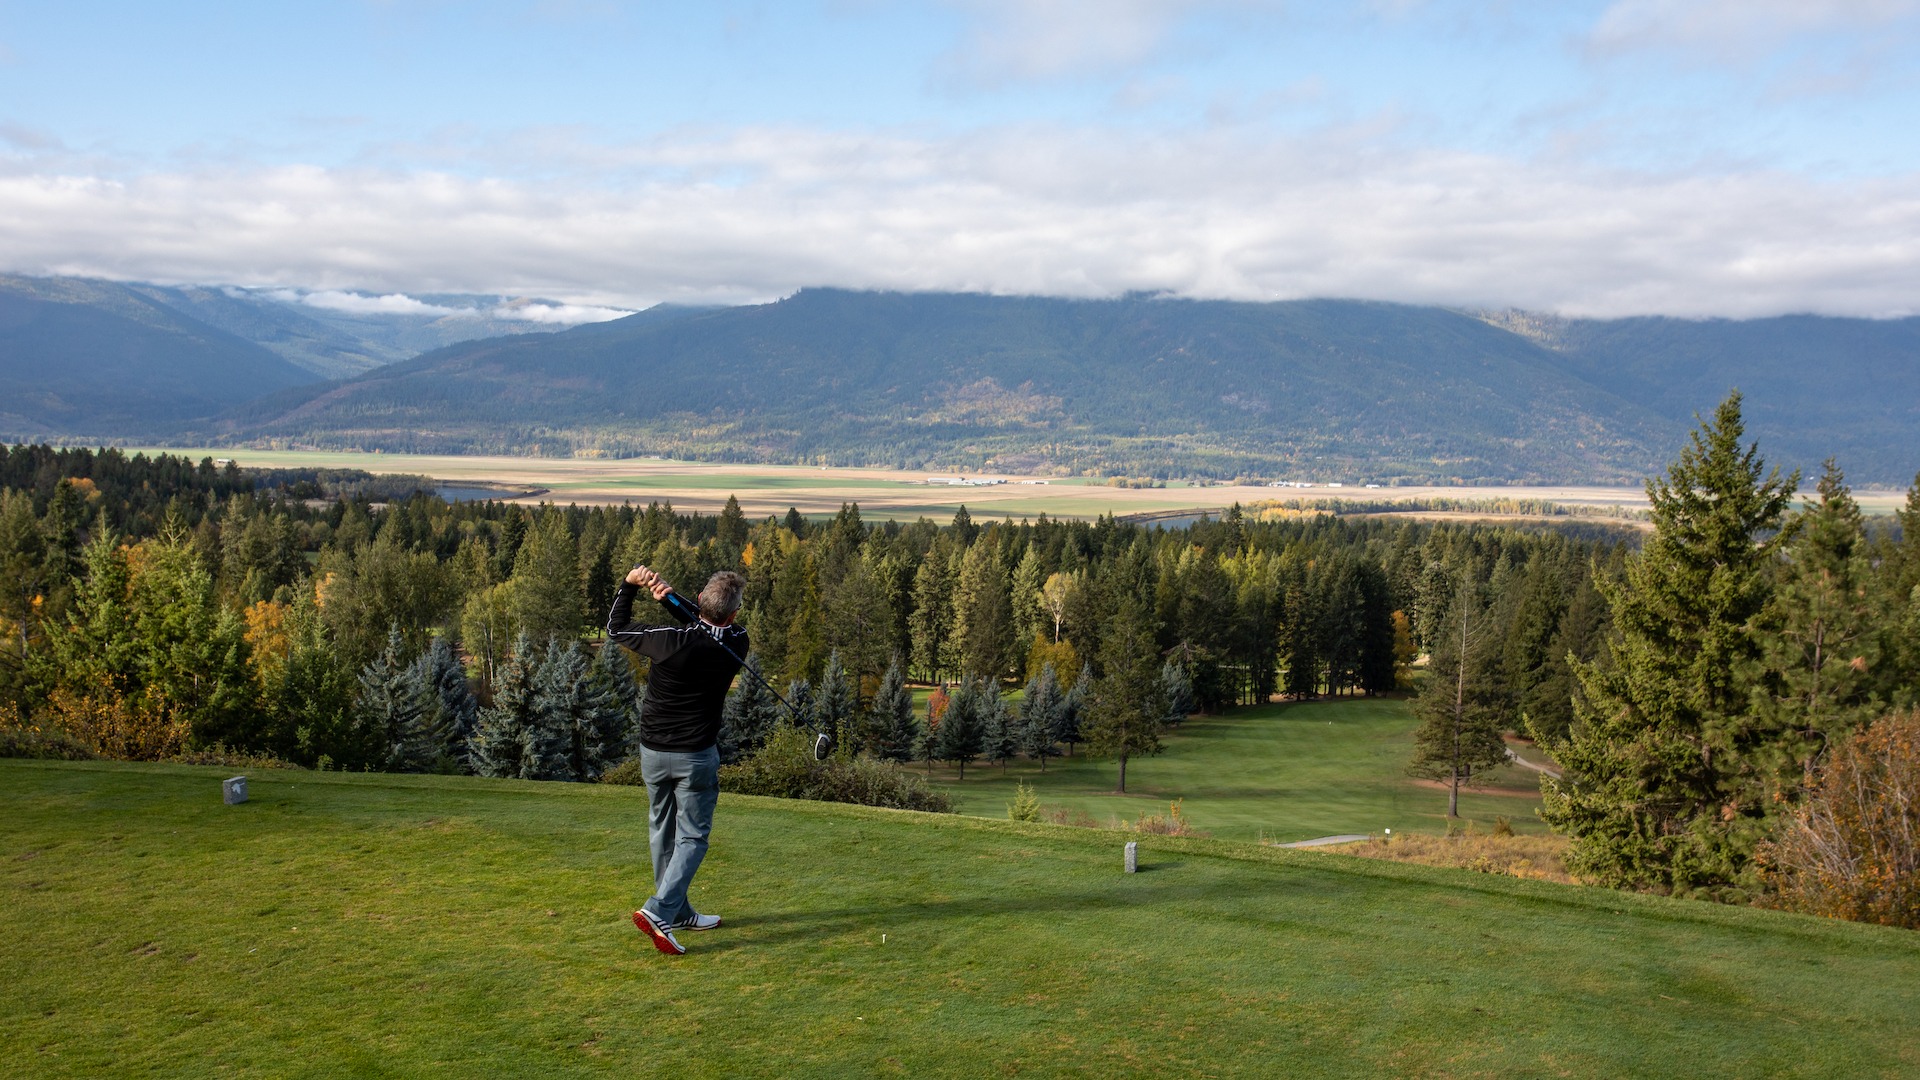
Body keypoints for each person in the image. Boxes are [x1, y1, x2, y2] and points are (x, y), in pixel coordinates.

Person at [607, 564, 749, 956]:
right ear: (734, 613)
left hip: (653, 752)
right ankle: (662, 910)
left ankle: (674, 910)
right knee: (692, 836)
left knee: (663, 829)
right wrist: (670, 598)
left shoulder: (668, 639)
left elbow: (616, 628)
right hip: (696, 757)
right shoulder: (737, 641)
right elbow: (710, 622)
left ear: (701, 599)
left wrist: (630, 586)